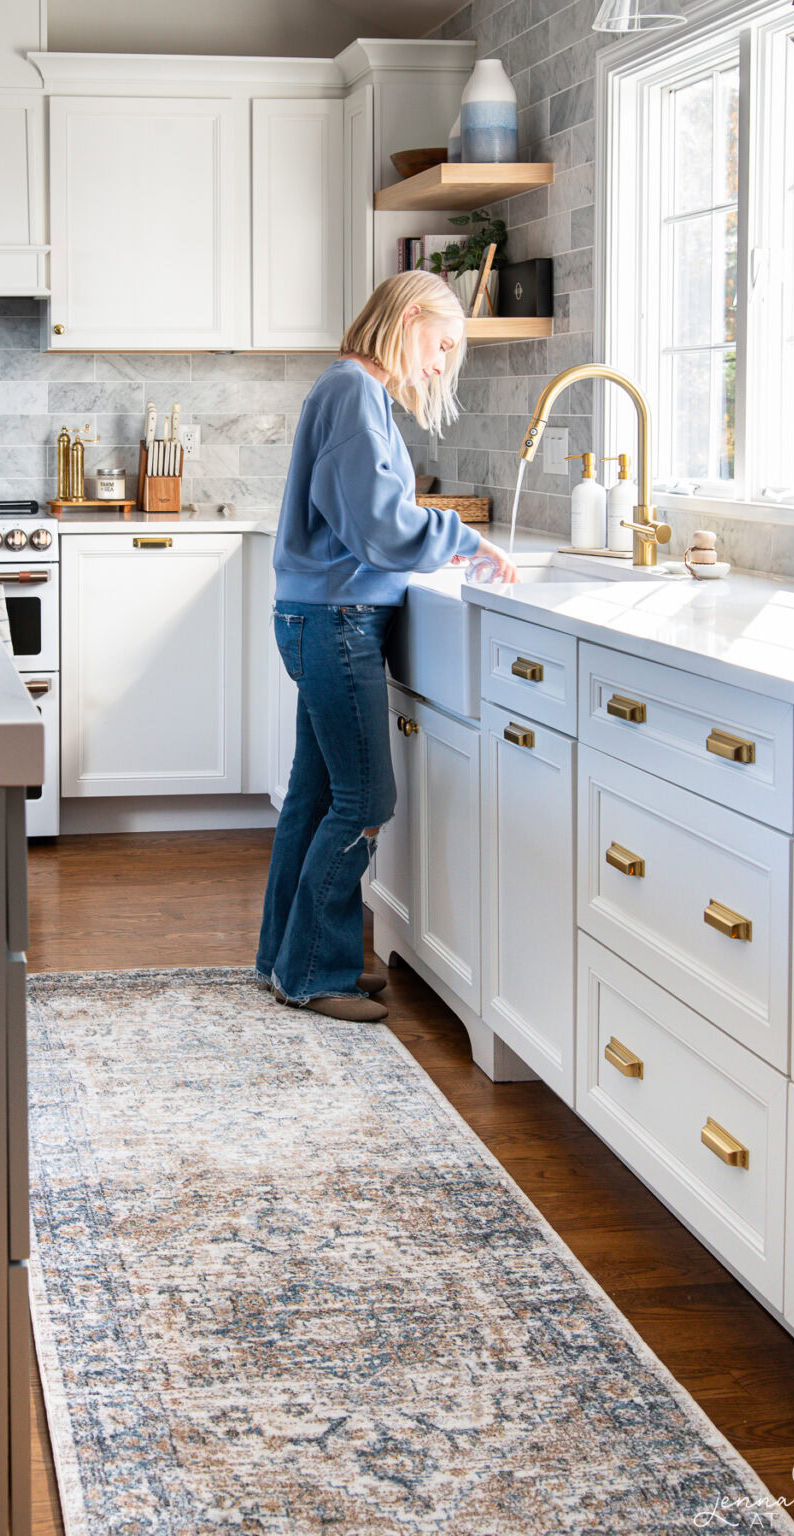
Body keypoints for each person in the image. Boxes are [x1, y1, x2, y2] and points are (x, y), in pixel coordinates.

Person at [255, 270, 518, 1023]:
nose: (439, 364)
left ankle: (286, 960)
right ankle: (315, 974)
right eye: (442, 345)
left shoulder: (347, 389)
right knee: (366, 800)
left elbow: (370, 518)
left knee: (315, 798)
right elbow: (379, 526)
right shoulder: (354, 392)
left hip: (323, 615)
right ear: (408, 319)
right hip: (338, 620)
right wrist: (464, 538)